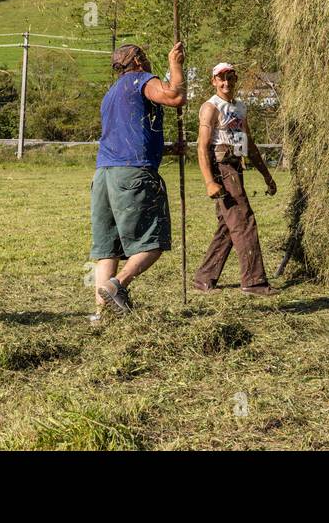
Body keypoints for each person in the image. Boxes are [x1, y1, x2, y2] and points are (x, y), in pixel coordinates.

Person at [89, 42, 187, 317]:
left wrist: (167, 148)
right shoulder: (141, 80)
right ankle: (116, 285)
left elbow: (124, 138)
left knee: (108, 249)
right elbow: (174, 96)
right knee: (152, 243)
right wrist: (175, 65)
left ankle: (102, 315)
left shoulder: (110, 94)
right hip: (132, 176)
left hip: (103, 177)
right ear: (139, 62)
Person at [193, 62, 277, 295]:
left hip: (236, 167)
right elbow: (201, 147)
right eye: (221, 78)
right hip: (221, 167)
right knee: (244, 221)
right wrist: (210, 181)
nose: (226, 83)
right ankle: (254, 282)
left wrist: (267, 176)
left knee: (229, 226)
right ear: (214, 81)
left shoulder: (240, 108)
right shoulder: (211, 107)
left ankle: (203, 278)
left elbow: (249, 144)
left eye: (230, 78)